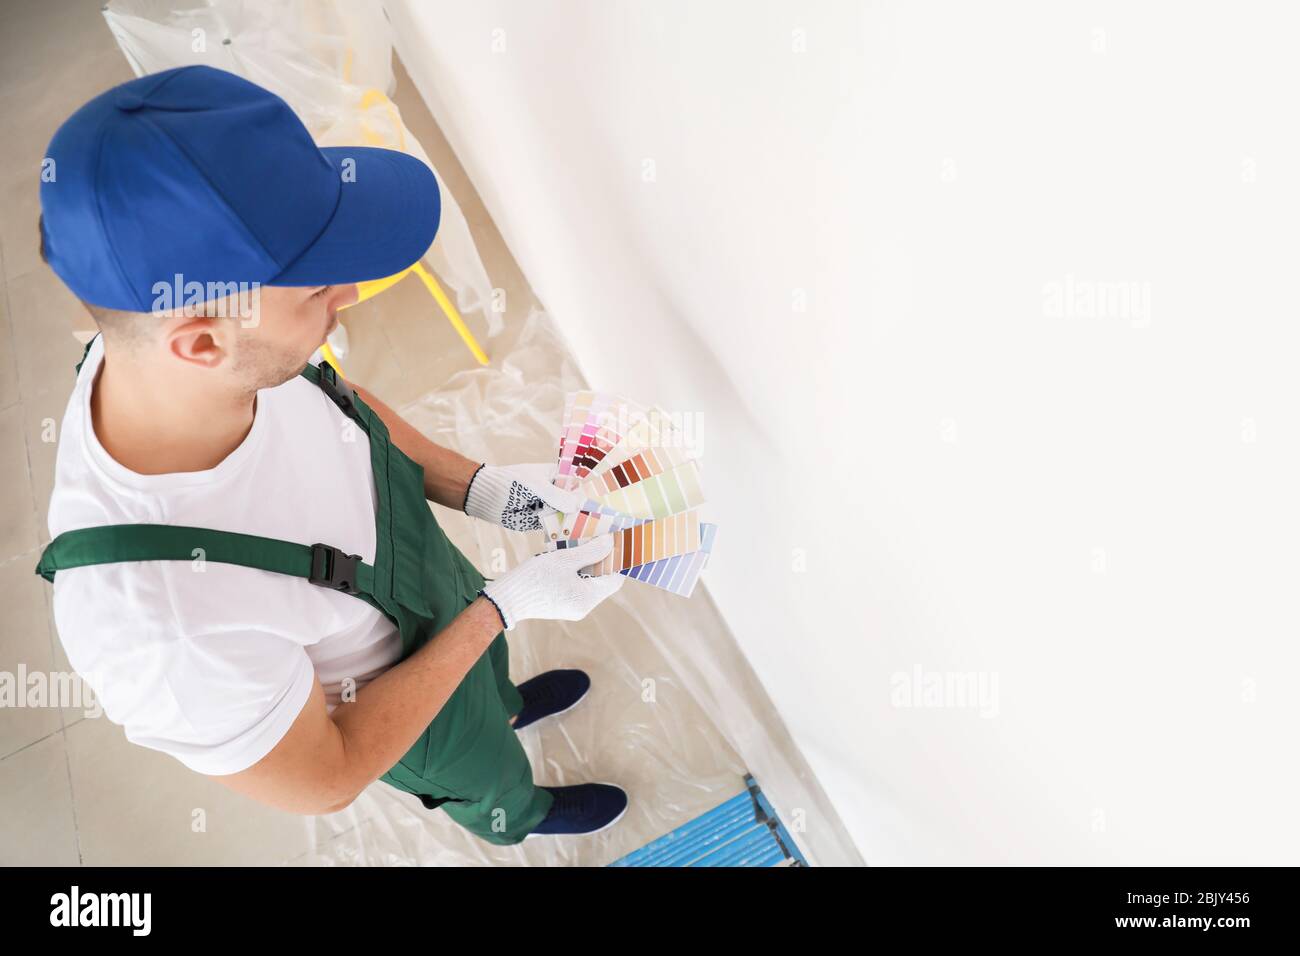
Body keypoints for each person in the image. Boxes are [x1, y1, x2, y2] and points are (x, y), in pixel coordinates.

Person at [34, 65, 628, 845]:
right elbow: (331, 773)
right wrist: (502, 607)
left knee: (488, 676)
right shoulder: (160, 629)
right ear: (201, 342)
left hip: (422, 582)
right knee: (484, 768)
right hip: (398, 706)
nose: (345, 293)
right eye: (315, 289)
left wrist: (482, 490)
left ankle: (506, 702)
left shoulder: (185, 371)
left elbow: (333, 400)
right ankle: (522, 813)